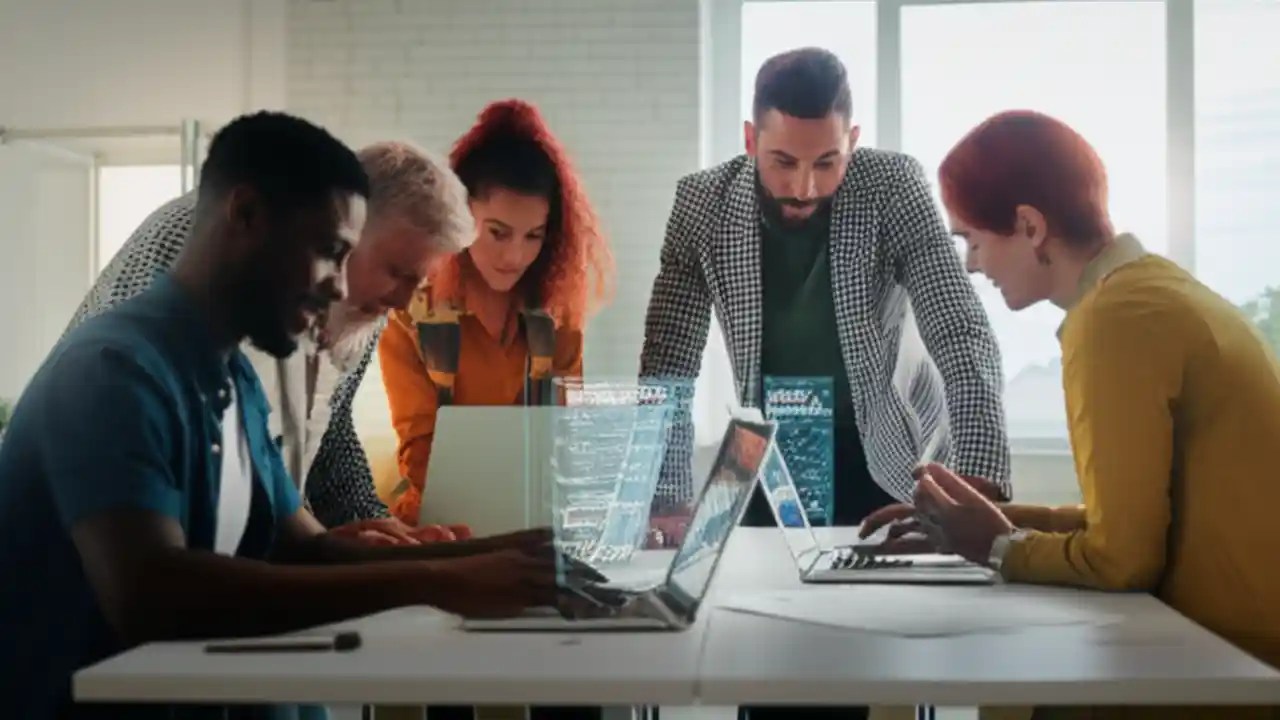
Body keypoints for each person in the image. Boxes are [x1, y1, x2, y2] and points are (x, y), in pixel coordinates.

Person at [0, 111, 569, 720]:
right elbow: (151, 595)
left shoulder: (238, 376)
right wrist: (440, 582)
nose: (337, 286)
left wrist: (516, 556)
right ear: (244, 217)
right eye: (330, 253)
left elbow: (307, 548)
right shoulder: (112, 369)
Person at [861, 110, 1280, 720]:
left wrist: (996, 546)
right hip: (1236, 644)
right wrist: (983, 521)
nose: (973, 265)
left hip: (1233, 665)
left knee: (1015, 681)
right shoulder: (1154, 291)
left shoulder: (1113, 322)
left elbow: (1123, 560)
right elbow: (1134, 520)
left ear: (1030, 226)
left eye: (973, 240)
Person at [642, 47, 1010, 536]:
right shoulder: (701, 204)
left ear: (852, 142)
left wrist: (977, 480)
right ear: (751, 140)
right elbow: (669, 364)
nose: (805, 187)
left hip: (883, 450)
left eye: (826, 162)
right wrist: (666, 499)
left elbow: (960, 331)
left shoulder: (893, 187)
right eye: (784, 162)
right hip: (763, 455)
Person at [65, 138, 476, 544]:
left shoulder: (363, 304)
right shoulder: (204, 233)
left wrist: (376, 530)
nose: (401, 301)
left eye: (417, 282)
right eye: (396, 271)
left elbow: (325, 435)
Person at [378, 98, 614, 527]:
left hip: (536, 521)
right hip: (439, 526)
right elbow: (421, 454)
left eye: (533, 237)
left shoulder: (558, 316)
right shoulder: (411, 313)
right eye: (498, 233)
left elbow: (566, 441)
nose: (515, 255)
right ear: (462, 217)